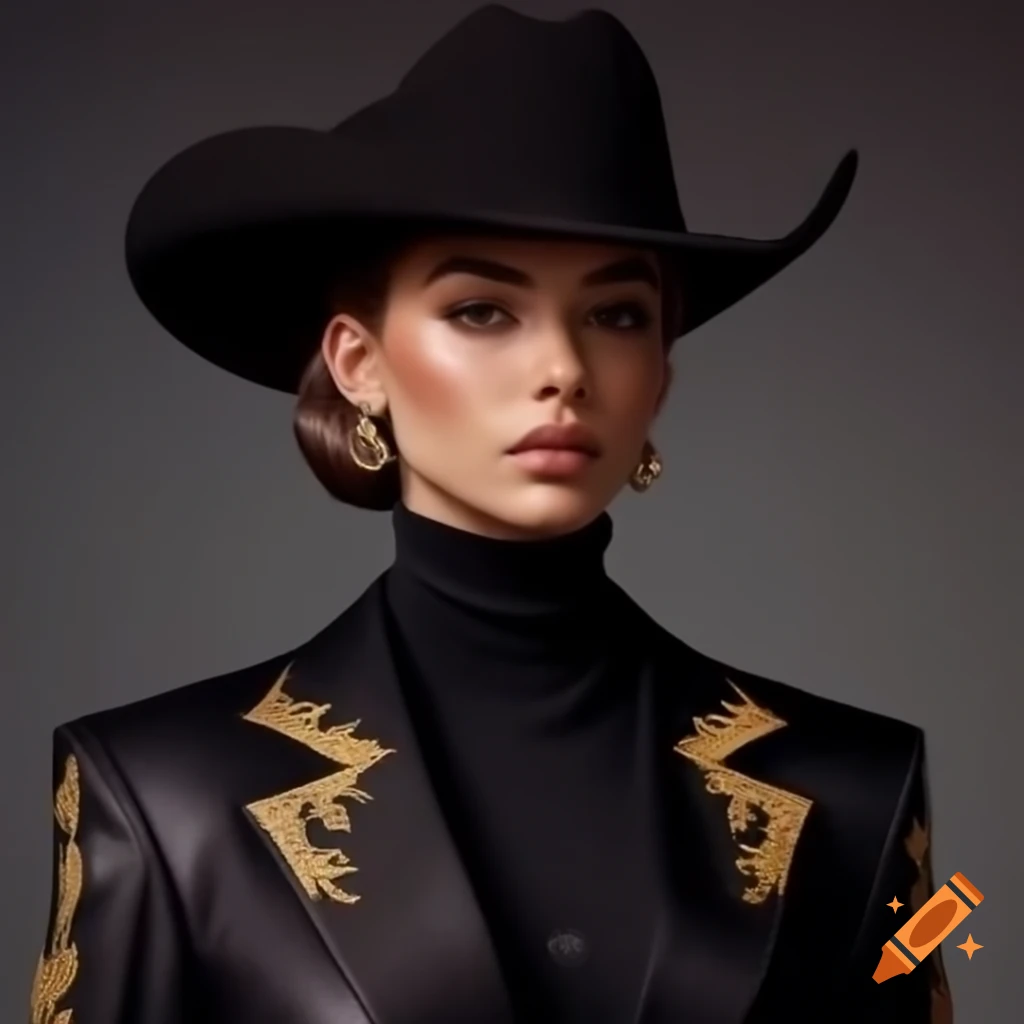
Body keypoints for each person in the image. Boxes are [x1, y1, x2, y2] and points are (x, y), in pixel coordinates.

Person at [29, 6, 952, 1024]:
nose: (563, 369)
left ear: (660, 372)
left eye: (615, 314)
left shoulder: (855, 788)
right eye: (482, 310)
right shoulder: (165, 793)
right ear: (358, 362)